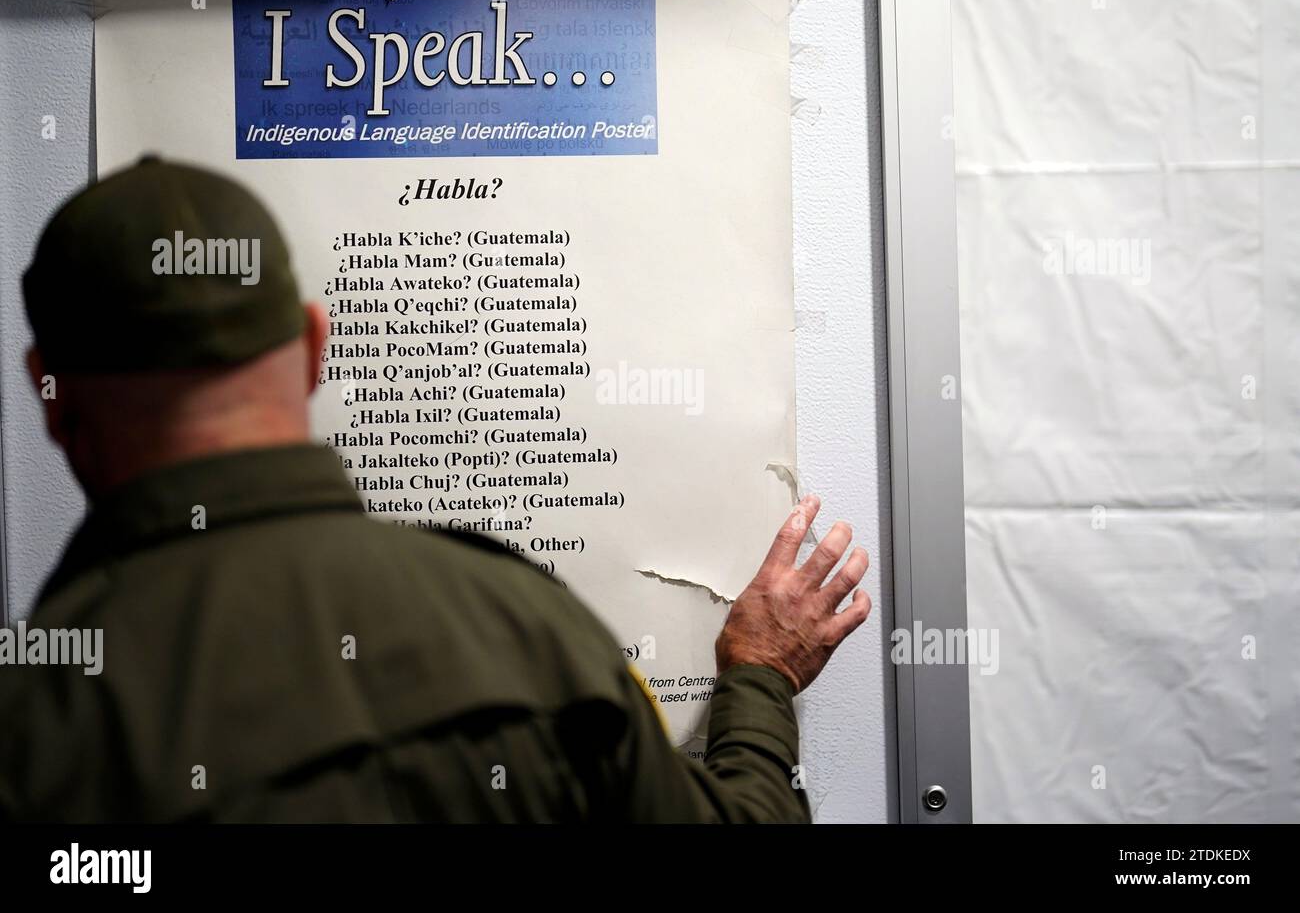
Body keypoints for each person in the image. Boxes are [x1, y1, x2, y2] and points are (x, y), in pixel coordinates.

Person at [0, 157, 871, 822]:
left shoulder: (34, 722)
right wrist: (759, 679)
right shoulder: (519, 628)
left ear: (49, 389)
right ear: (312, 347)